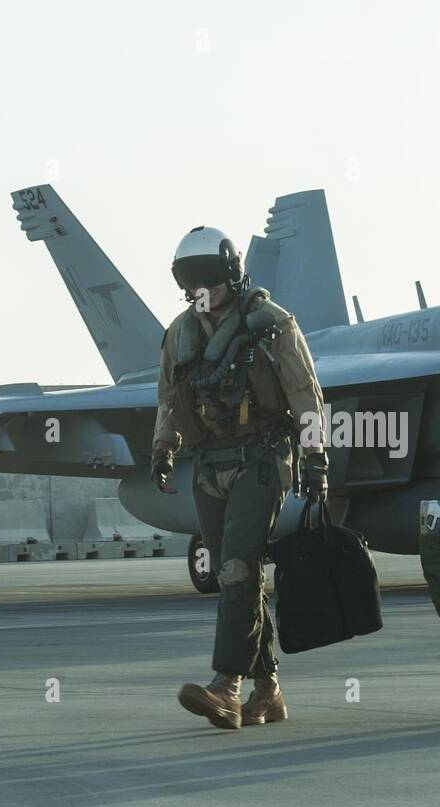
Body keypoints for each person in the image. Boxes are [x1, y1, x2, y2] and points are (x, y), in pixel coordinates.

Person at [152, 226, 327, 729]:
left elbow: (305, 395)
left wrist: (316, 460)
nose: (201, 291)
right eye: (192, 283)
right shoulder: (180, 333)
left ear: (230, 273)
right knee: (241, 576)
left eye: (208, 279)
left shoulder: (271, 325)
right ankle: (268, 691)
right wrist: (163, 449)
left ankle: (226, 687)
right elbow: (168, 400)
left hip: (260, 459)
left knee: (234, 569)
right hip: (208, 466)